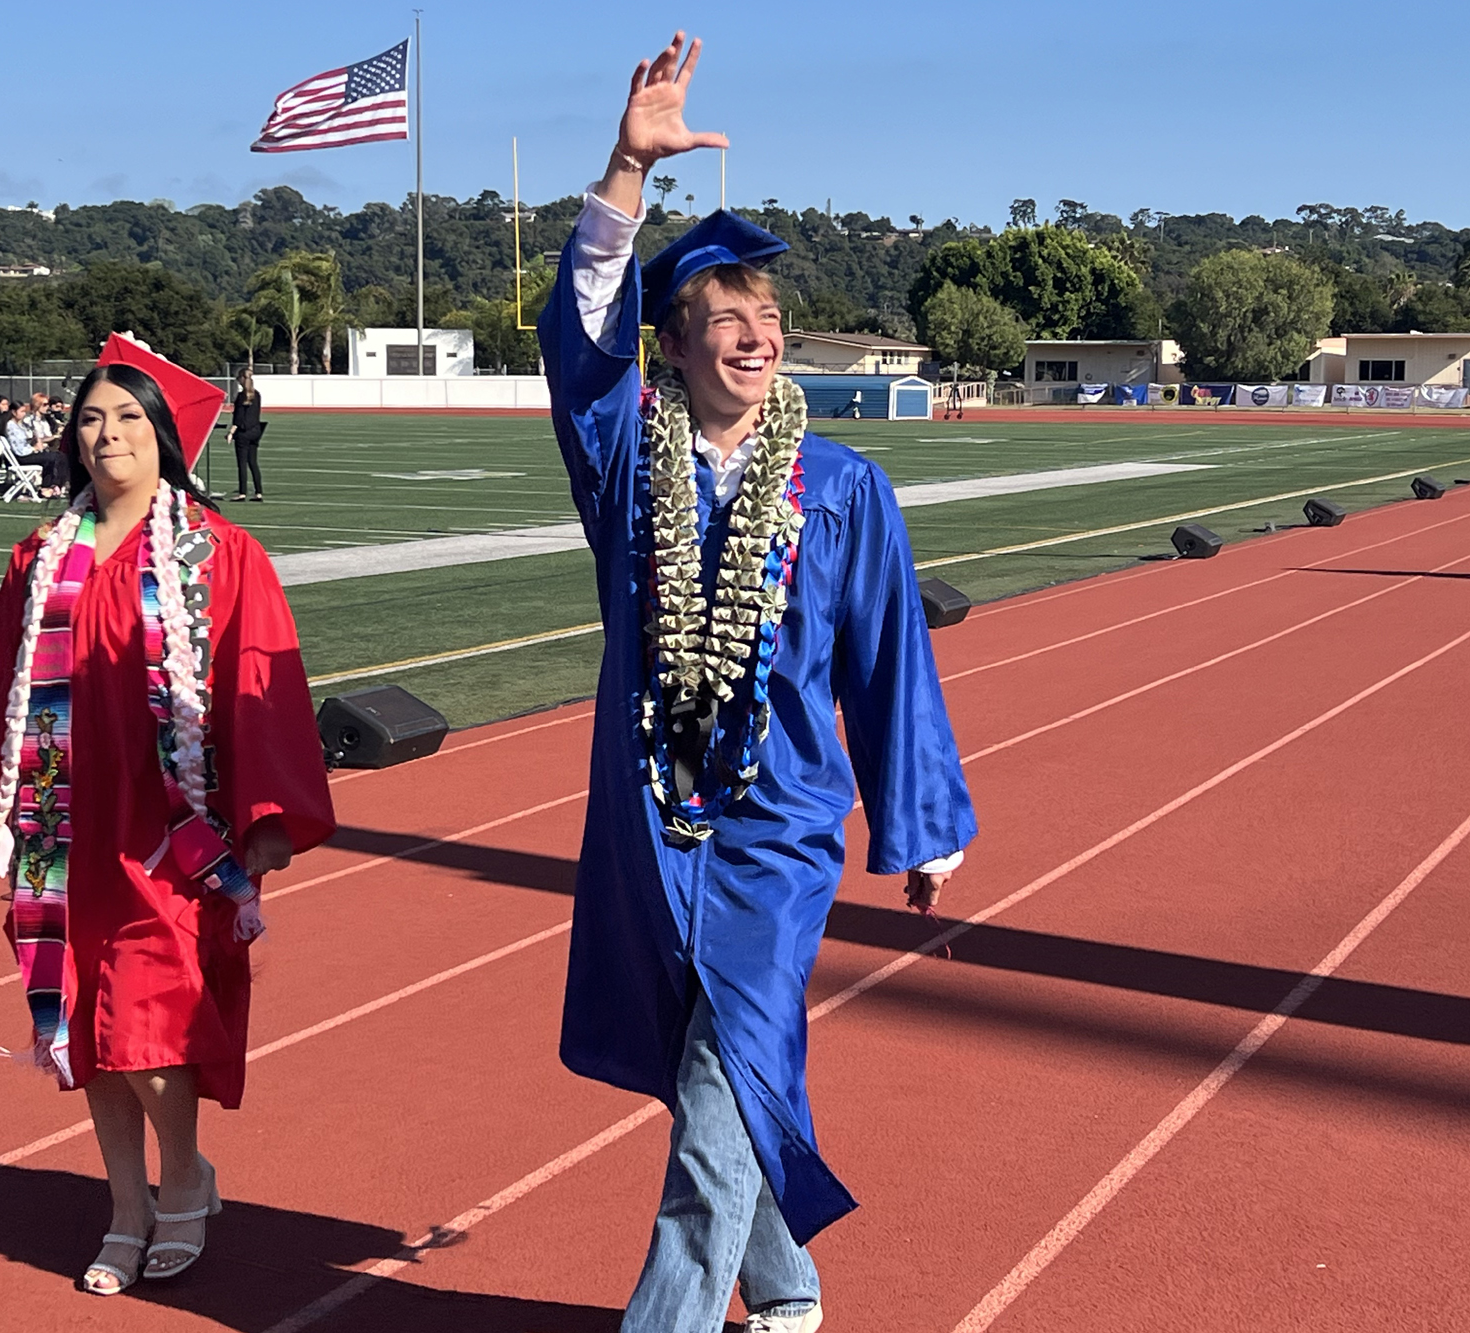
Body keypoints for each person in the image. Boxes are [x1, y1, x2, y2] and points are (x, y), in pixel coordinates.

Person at [538, 35, 975, 1333]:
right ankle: (786, 1285)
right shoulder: (628, 466)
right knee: (716, 1065)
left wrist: (923, 821)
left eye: (768, 315)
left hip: (778, 829)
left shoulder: (842, 490)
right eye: (725, 315)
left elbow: (891, 660)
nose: (757, 330)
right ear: (670, 346)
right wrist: (627, 166)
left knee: (728, 1075)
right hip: (651, 824)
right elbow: (576, 346)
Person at [0, 335, 335, 1297]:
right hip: (62, 816)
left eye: (129, 419)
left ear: (164, 440)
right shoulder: (41, 555)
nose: (106, 436)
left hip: (169, 826)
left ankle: (183, 1174)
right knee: (75, 1012)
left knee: (151, 1009)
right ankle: (126, 1204)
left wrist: (265, 817)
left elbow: (258, 685)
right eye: (92, 418)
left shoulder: (219, 554)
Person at [4, 399, 69, 496]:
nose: (23, 414)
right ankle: (56, 485)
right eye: (21, 411)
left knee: (54, 458)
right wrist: (33, 448)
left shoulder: (20, 425)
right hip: (22, 457)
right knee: (56, 457)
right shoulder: (11, 426)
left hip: (28, 453)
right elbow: (18, 449)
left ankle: (46, 487)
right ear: (14, 412)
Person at [229, 369, 265, 500]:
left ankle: (242, 492)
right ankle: (258, 492)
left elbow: (238, 418)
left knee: (242, 464)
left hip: (243, 433)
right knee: (253, 462)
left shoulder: (241, 396)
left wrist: (231, 432)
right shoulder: (257, 395)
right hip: (255, 431)